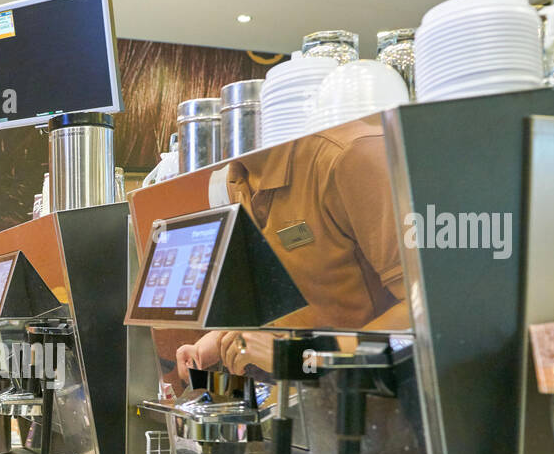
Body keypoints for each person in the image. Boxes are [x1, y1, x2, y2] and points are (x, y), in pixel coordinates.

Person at [175, 119, 408, 382]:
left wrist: (298, 357)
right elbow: (283, 294)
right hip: (301, 395)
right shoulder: (235, 180)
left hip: (370, 396)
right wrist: (220, 341)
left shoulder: (347, 157)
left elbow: (420, 314)